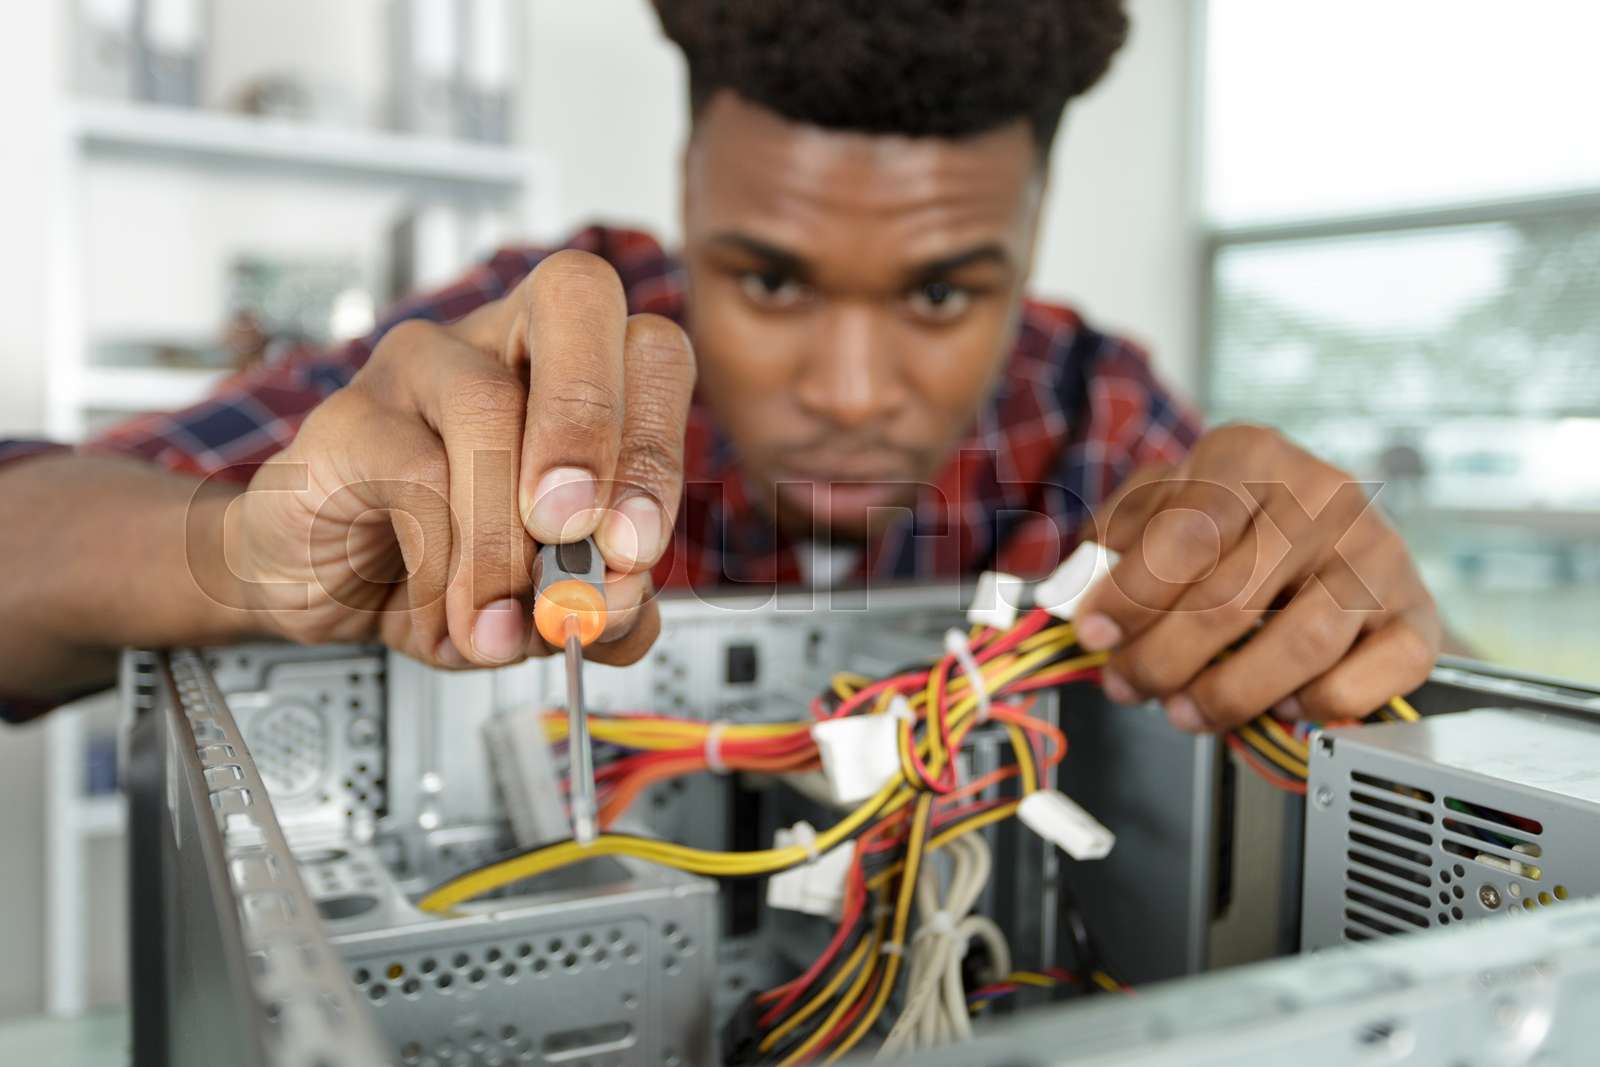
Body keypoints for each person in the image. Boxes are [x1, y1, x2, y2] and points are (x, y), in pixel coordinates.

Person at [0, 0, 1441, 734]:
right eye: (769, 276)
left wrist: (1335, 622)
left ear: (1032, 232)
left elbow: (1405, 709)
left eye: (945, 289)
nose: (857, 391)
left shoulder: (1096, 415)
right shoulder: (521, 344)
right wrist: (242, 559)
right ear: (684, 193)